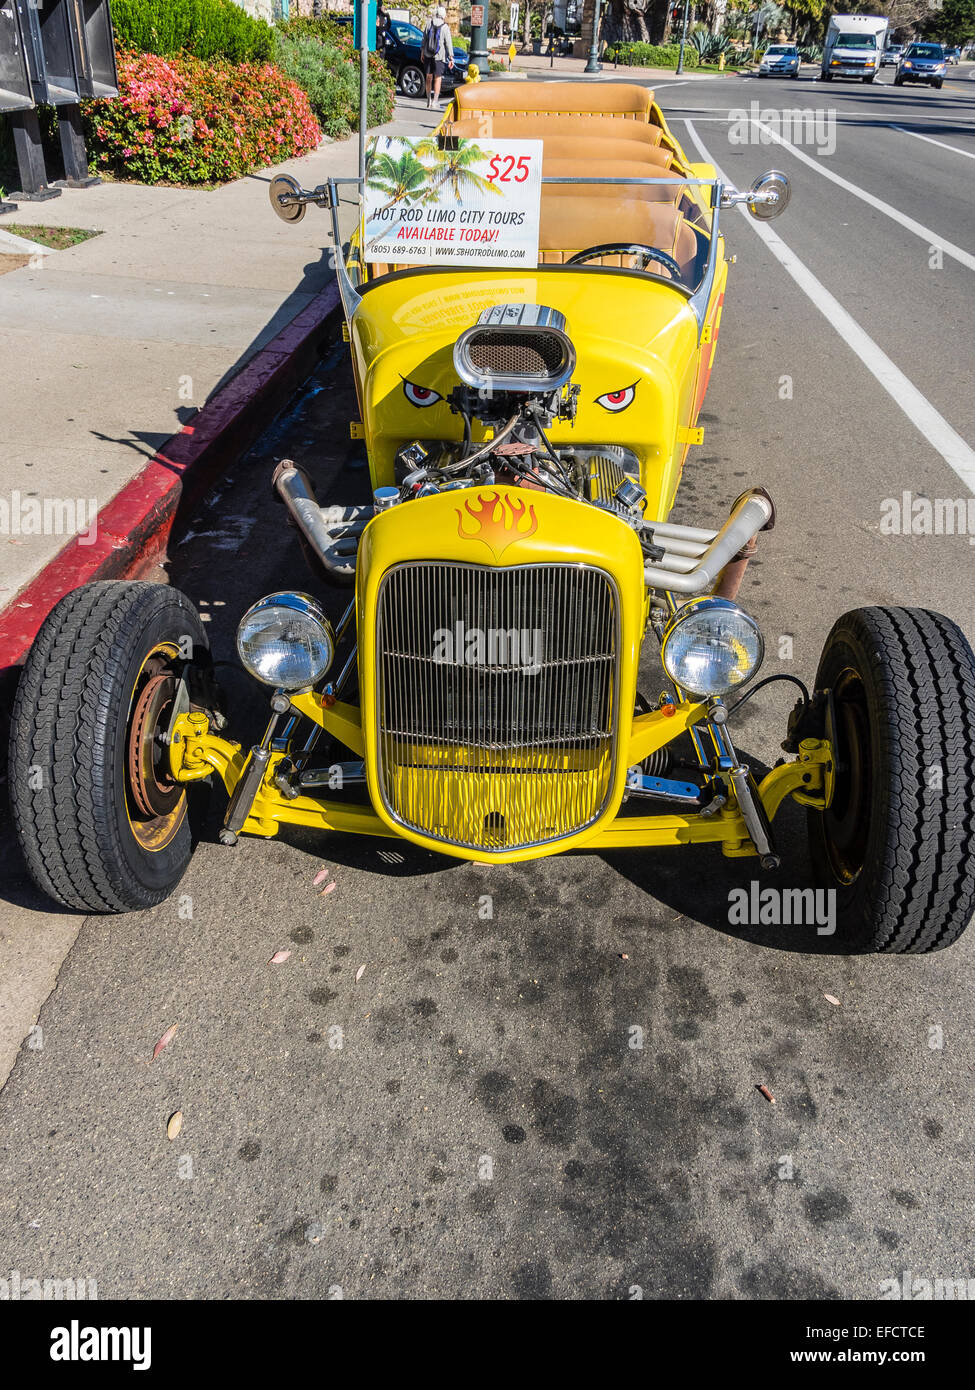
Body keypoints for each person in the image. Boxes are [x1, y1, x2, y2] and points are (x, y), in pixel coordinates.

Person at [421, 5, 454, 109]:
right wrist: (451, 57)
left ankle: (428, 100)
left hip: (427, 54)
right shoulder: (445, 27)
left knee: (428, 77)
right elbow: (448, 43)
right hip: (439, 56)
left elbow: (424, 39)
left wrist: (422, 52)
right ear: (443, 15)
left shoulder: (428, 23)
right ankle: (435, 101)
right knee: (438, 78)